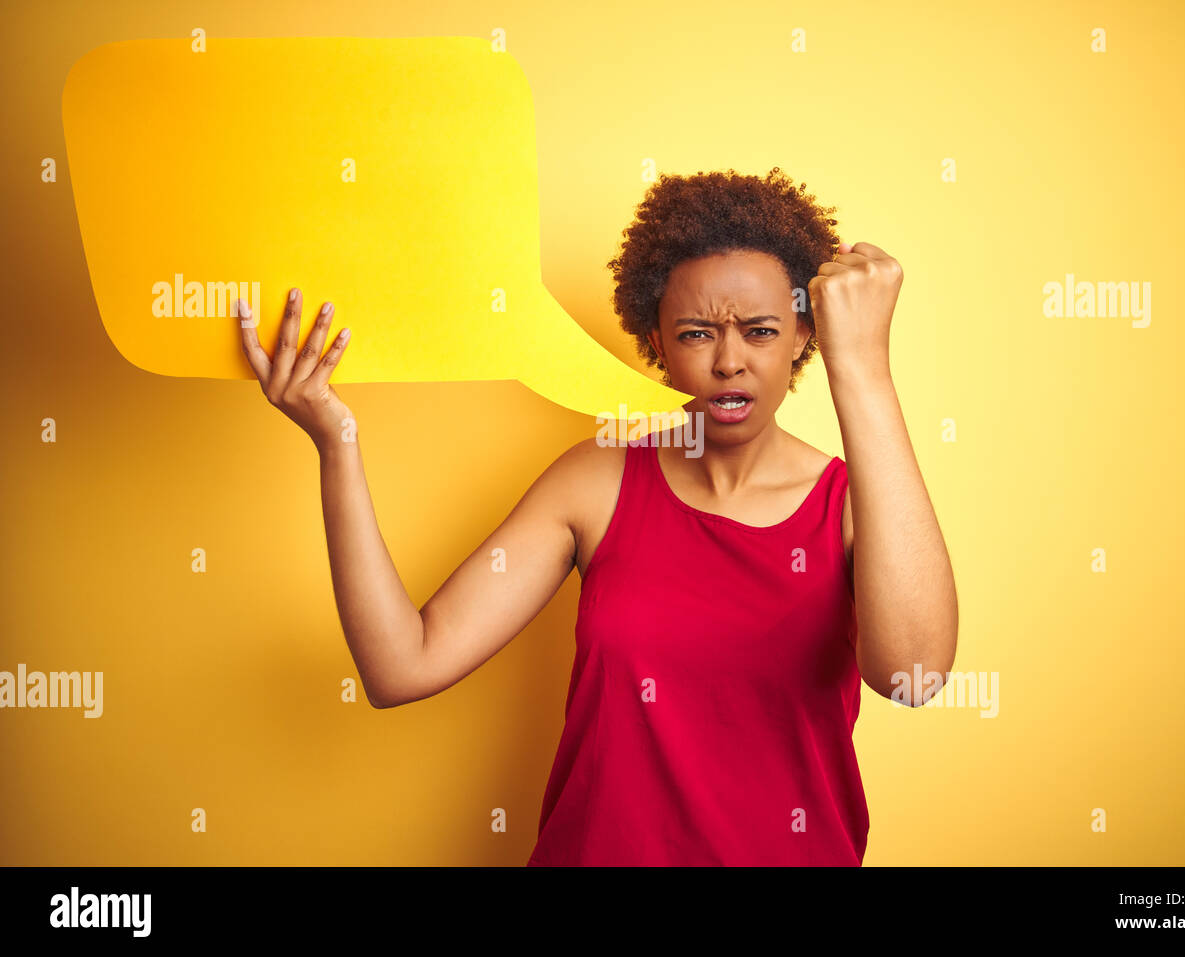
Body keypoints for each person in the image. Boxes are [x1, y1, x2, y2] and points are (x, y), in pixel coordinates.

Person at [235, 167, 958, 866]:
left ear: (805, 337)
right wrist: (338, 441)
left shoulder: (852, 507)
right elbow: (401, 665)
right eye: (698, 333)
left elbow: (915, 675)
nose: (730, 360)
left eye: (762, 331)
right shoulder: (597, 482)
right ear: (658, 343)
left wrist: (862, 365)